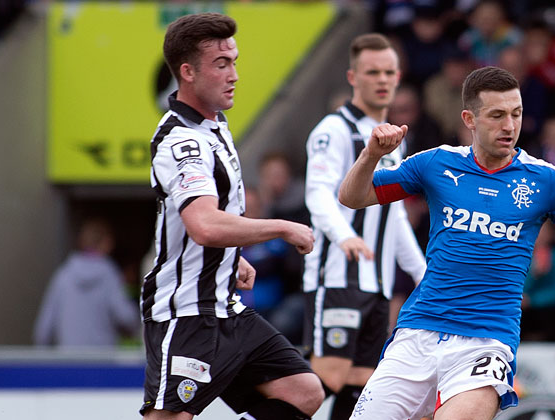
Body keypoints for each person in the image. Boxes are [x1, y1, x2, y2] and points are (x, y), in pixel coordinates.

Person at [337, 66, 555, 420]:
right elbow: (353, 197)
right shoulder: (436, 163)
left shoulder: (546, 180)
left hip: (486, 342)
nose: (509, 126)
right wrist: (371, 155)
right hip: (418, 331)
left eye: (517, 113)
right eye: (496, 115)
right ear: (469, 119)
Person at [141, 13, 323, 420]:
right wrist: (282, 226)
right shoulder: (181, 141)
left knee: (304, 391)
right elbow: (204, 225)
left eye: (234, 61)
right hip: (186, 311)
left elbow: (204, 220)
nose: (234, 74)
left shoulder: (215, 125)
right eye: (222, 64)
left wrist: (231, 256)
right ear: (187, 72)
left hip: (226, 305)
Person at [302, 32, 427, 420]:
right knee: (328, 378)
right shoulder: (333, 130)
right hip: (338, 275)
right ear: (353, 77)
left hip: (378, 285)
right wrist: (345, 236)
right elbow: (318, 195)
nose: (383, 79)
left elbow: (395, 218)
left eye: (389, 72)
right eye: (373, 72)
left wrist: (424, 273)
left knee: (362, 385)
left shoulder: (394, 141)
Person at [34, 218, 140, 348]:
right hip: (101, 361)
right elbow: (126, 318)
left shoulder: (64, 274)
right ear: (107, 243)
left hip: (68, 361)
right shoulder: (109, 274)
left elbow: (43, 330)